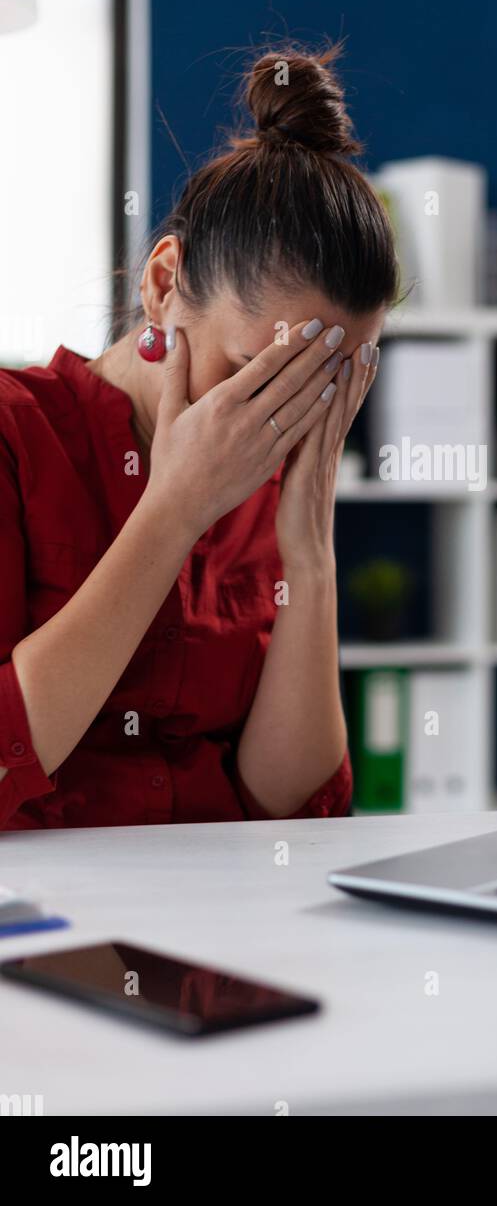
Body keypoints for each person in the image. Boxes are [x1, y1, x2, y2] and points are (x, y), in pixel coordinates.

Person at [0, 44, 397, 829]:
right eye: (261, 373)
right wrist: (174, 510)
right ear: (162, 285)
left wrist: (311, 555)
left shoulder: (277, 492)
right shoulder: (18, 436)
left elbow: (289, 808)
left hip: (222, 919)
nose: (287, 420)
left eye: (328, 387)